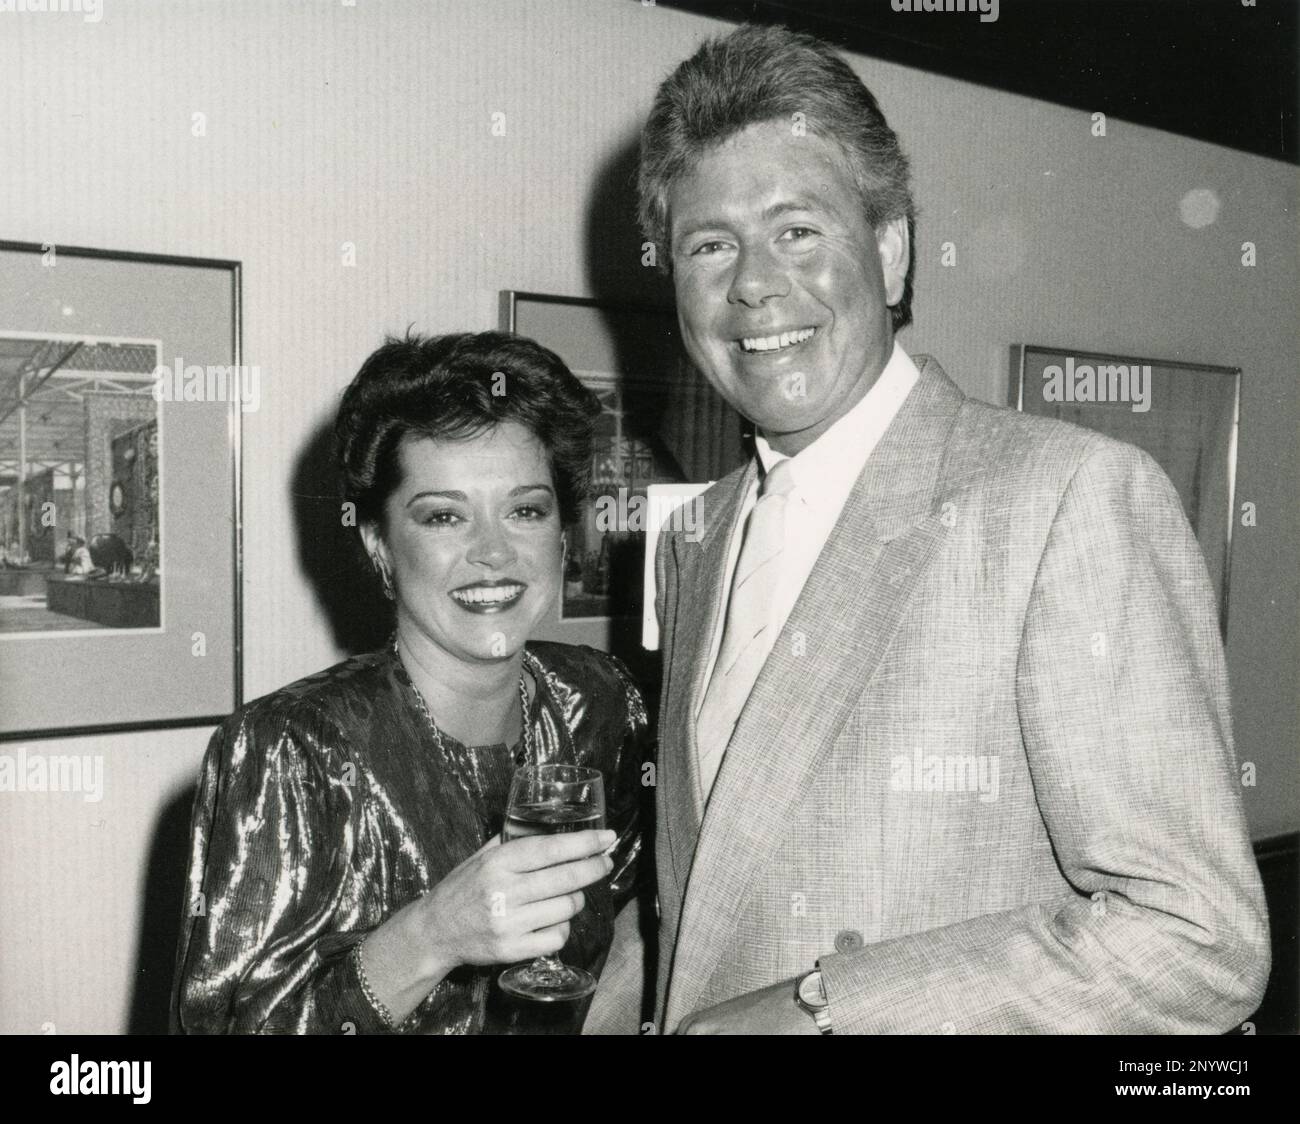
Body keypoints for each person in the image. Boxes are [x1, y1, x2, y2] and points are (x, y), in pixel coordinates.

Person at [586, 24, 1269, 1035]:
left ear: (893, 251)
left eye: (797, 230)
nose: (752, 285)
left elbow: (1198, 938)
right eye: (708, 244)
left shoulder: (1067, 497)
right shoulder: (699, 538)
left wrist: (825, 1006)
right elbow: (721, 887)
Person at [172, 331, 648, 1034]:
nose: (493, 553)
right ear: (378, 543)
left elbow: (649, 897)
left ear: (562, 533)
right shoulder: (290, 750)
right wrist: (432, 935)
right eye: (444, 516)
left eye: (525, 510)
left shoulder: (598, 699)